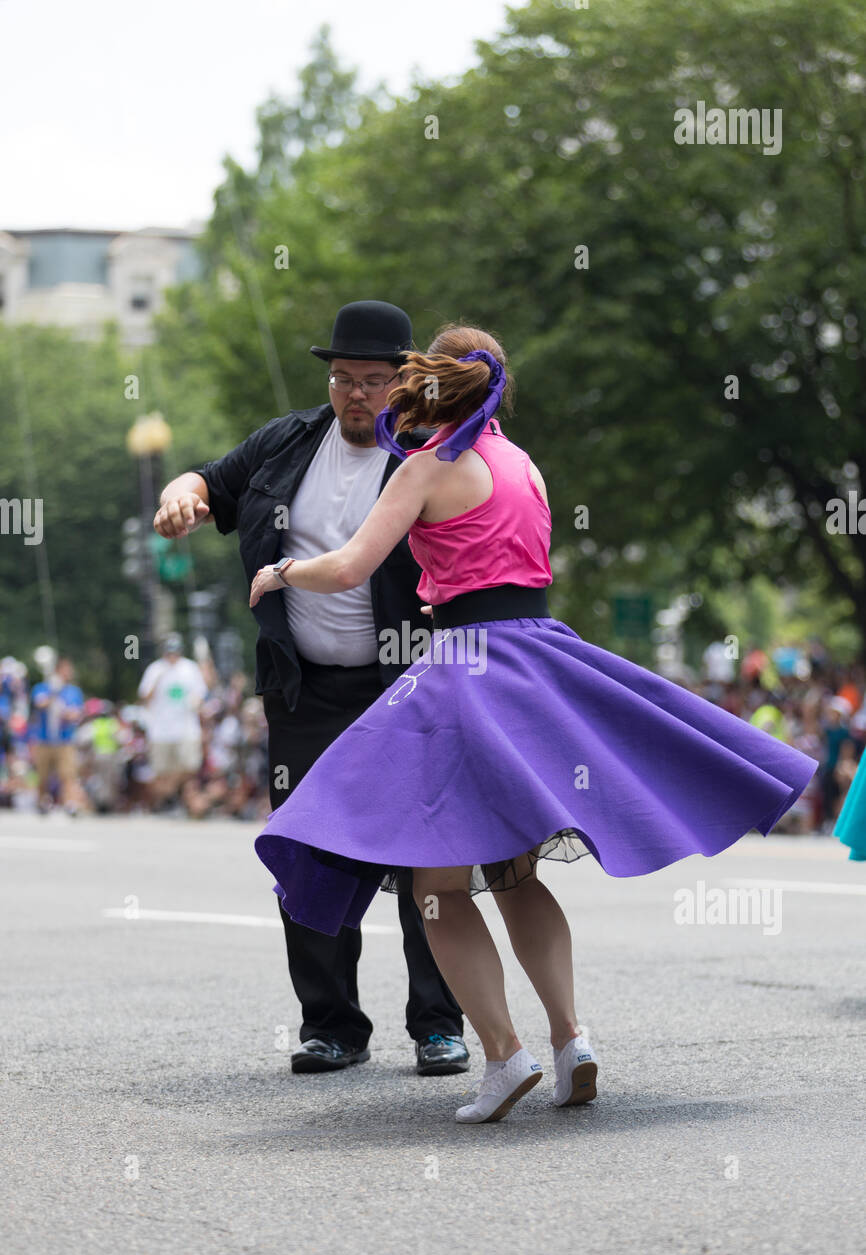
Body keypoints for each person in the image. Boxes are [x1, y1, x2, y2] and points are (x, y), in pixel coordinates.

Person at [251, 323, 819, 1125]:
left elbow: (348, 567)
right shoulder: (526, 466)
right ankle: (571, 1040)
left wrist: (280, 570)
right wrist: (446, 581)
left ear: (431, 383)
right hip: (538, 663)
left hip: (465, 674)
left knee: (437, 888)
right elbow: (503, 564)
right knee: (517, 874)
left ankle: (502, 1054)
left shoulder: (424, 467)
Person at [153, 301, 468, 1078]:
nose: (354, 395)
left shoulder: (428, 455)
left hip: (409, 687)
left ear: (403, 381)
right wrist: (181, 492)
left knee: (422, 857)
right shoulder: (286, 444)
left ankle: (438, 1024)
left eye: (371, 380)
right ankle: (331, 1025)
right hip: (305, 692)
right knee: (310, 853)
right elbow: (209, 481)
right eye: (341, 379)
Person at [137, 634, 208, 810]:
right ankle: (166, 802)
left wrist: (196, 703)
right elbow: (145, 696)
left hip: (186, 728)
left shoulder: (190, 668)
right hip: (161, 730)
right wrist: (159, 678)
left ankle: (182, 800)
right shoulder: (155, 669)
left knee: (189, 768)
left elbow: (201, 693)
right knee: (162, 771)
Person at [28, 657, 85, 815]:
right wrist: (54, 692)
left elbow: (76, 714)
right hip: (44, 739)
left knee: (67, 774)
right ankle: (41, 802)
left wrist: (66, 713)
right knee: (42, 775)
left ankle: (69, 803)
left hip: (65, 740)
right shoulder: (42, 688)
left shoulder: (74, 691)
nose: (70, 673)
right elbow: (39, 704)